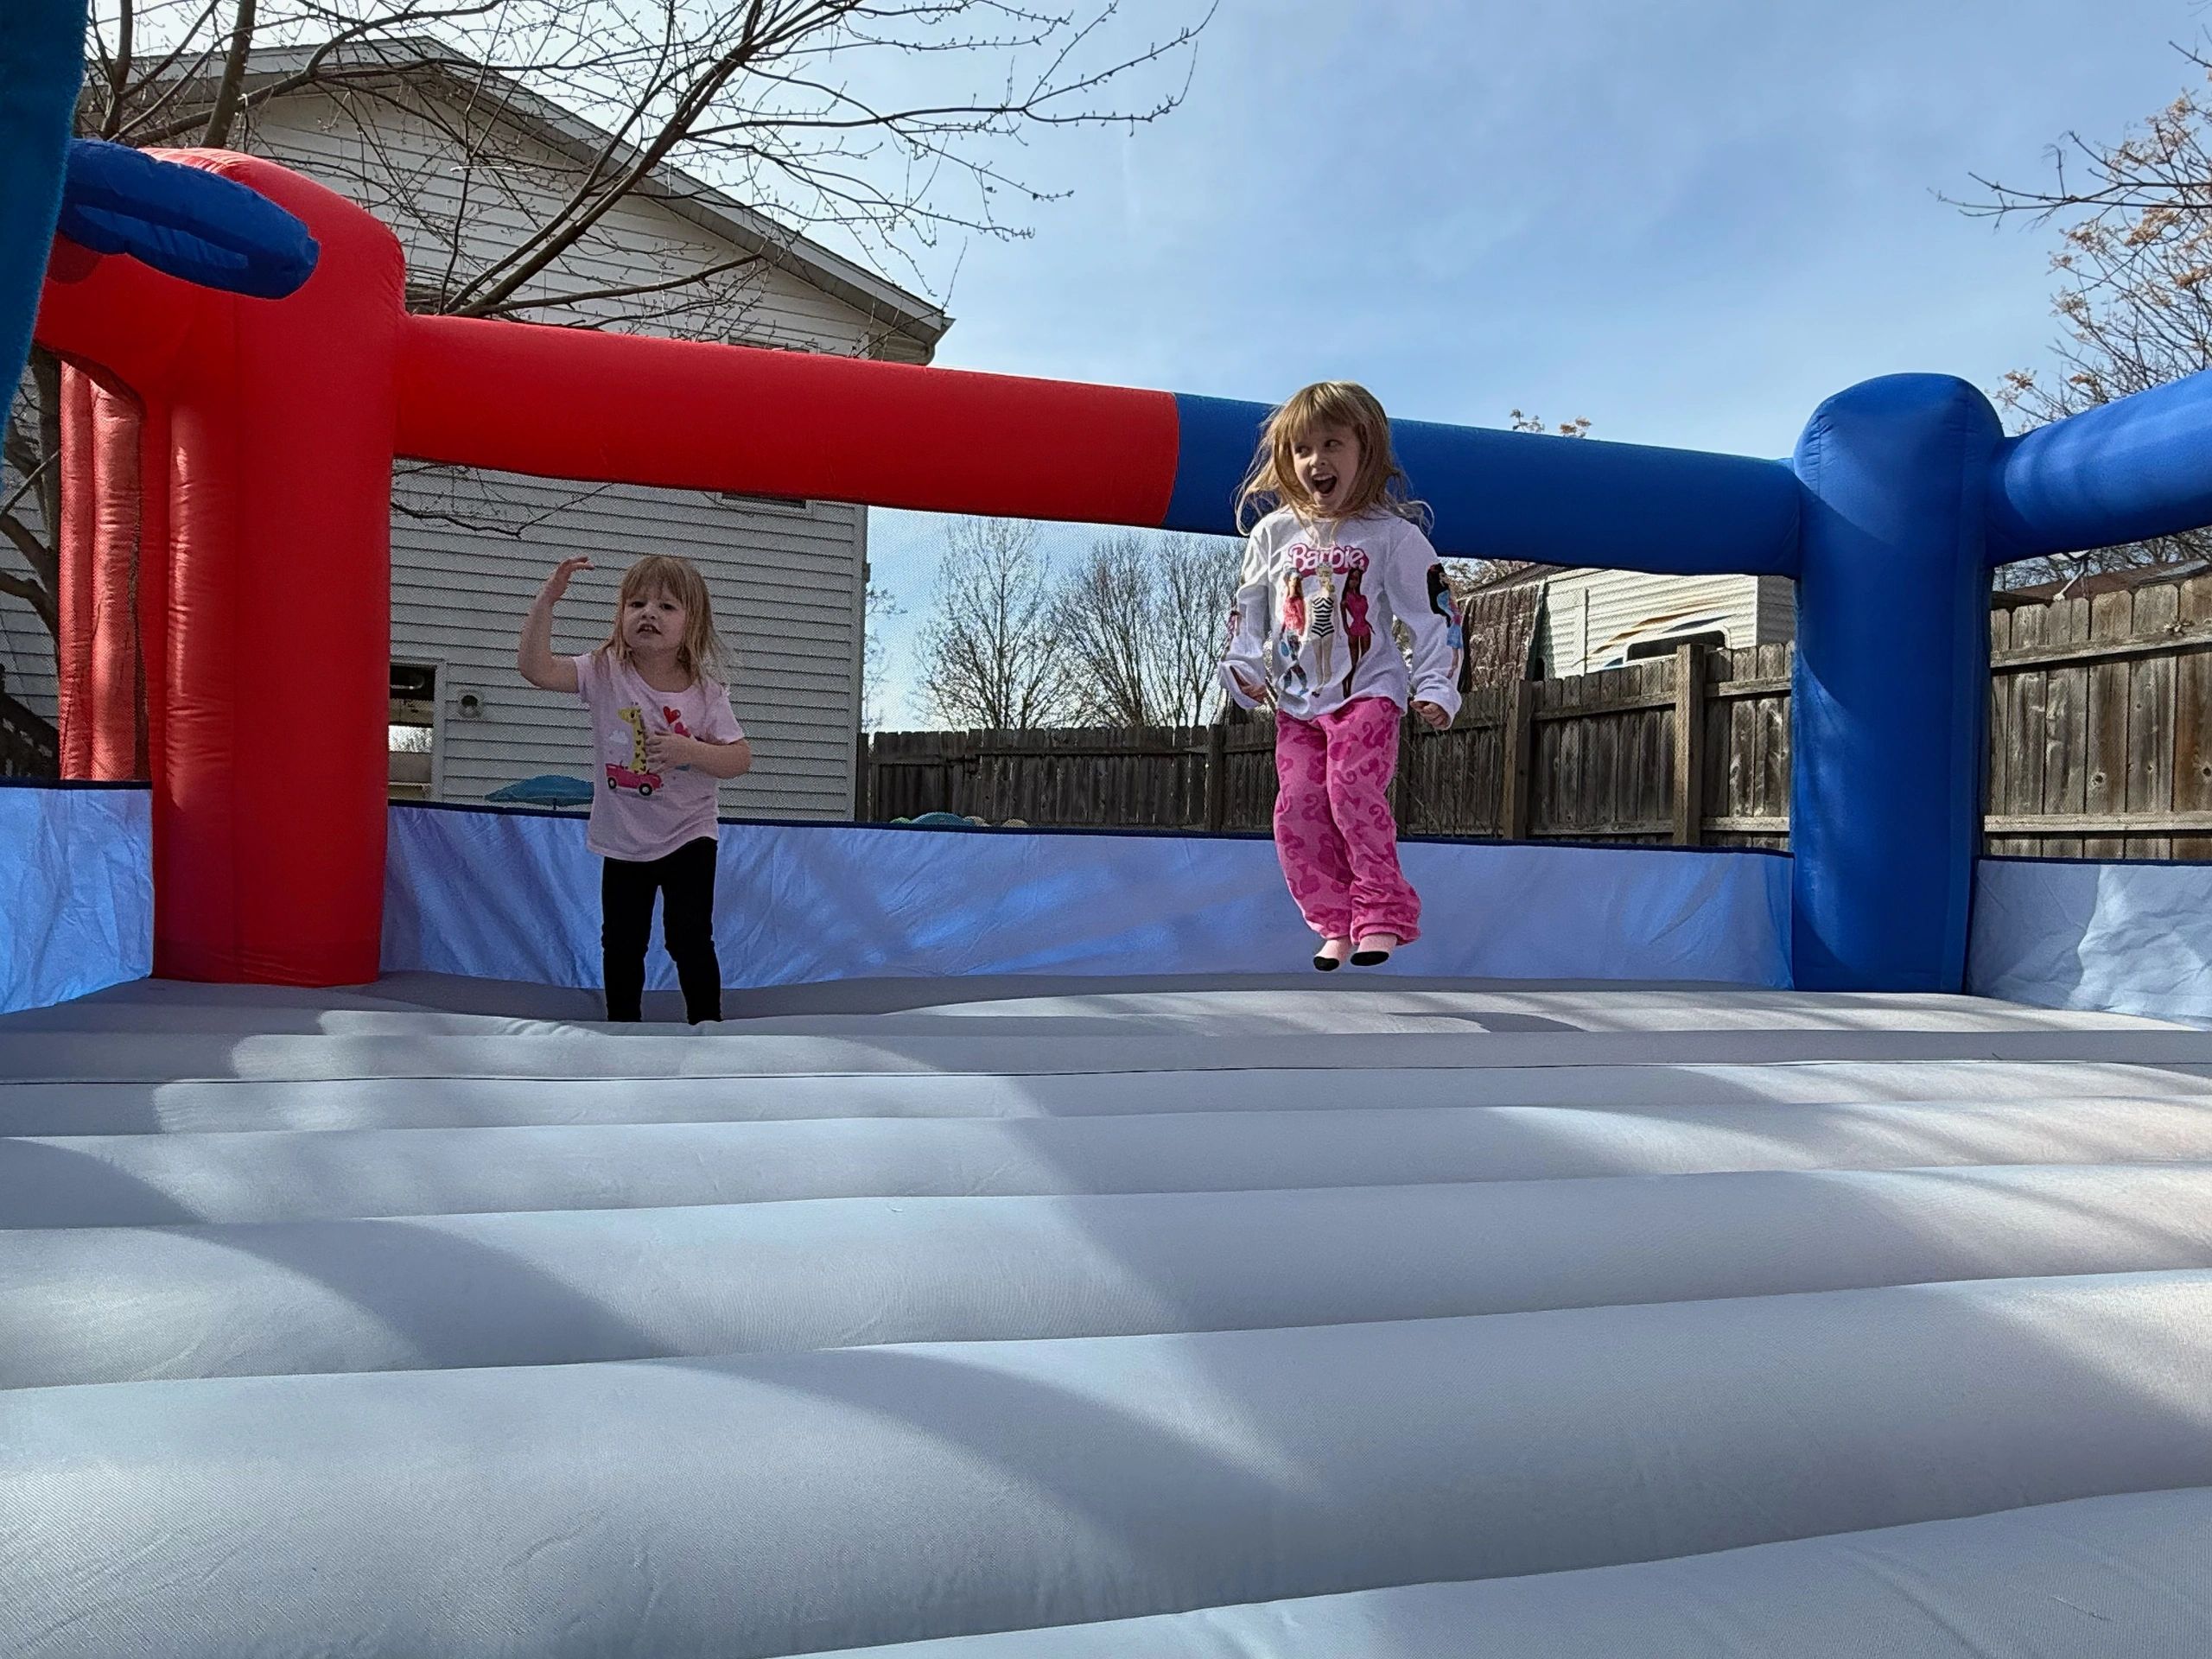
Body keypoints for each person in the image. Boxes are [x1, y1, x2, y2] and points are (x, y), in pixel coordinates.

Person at [1220, 381, 1465, 971]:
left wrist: (1435, 684)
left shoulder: (1392, 537)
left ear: (1367, 452)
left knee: (1351, 791)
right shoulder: (1273, 535)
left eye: (1332, 444)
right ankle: (1333, 920)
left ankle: (1382, 913)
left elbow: (1435, 616)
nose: (1316, 461)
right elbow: (1250, 608)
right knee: (1297, 809)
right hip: (1298, 703)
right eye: (1302, 449)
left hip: (1369, 693)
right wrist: (1242, 668)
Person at [518, 553, 751, 1022]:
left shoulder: (707, 692)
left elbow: (739, 758)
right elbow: (536, 670)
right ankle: (623, 1028)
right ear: (621, 615)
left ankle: (708, 1025)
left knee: (688, 936)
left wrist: (692, 751)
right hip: (623, 837)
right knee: (623, 940)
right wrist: (547, 601)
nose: (648, 614)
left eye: (666, 607)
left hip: (688, 832)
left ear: (693, 623)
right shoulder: (605, 671)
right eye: (637, 603)